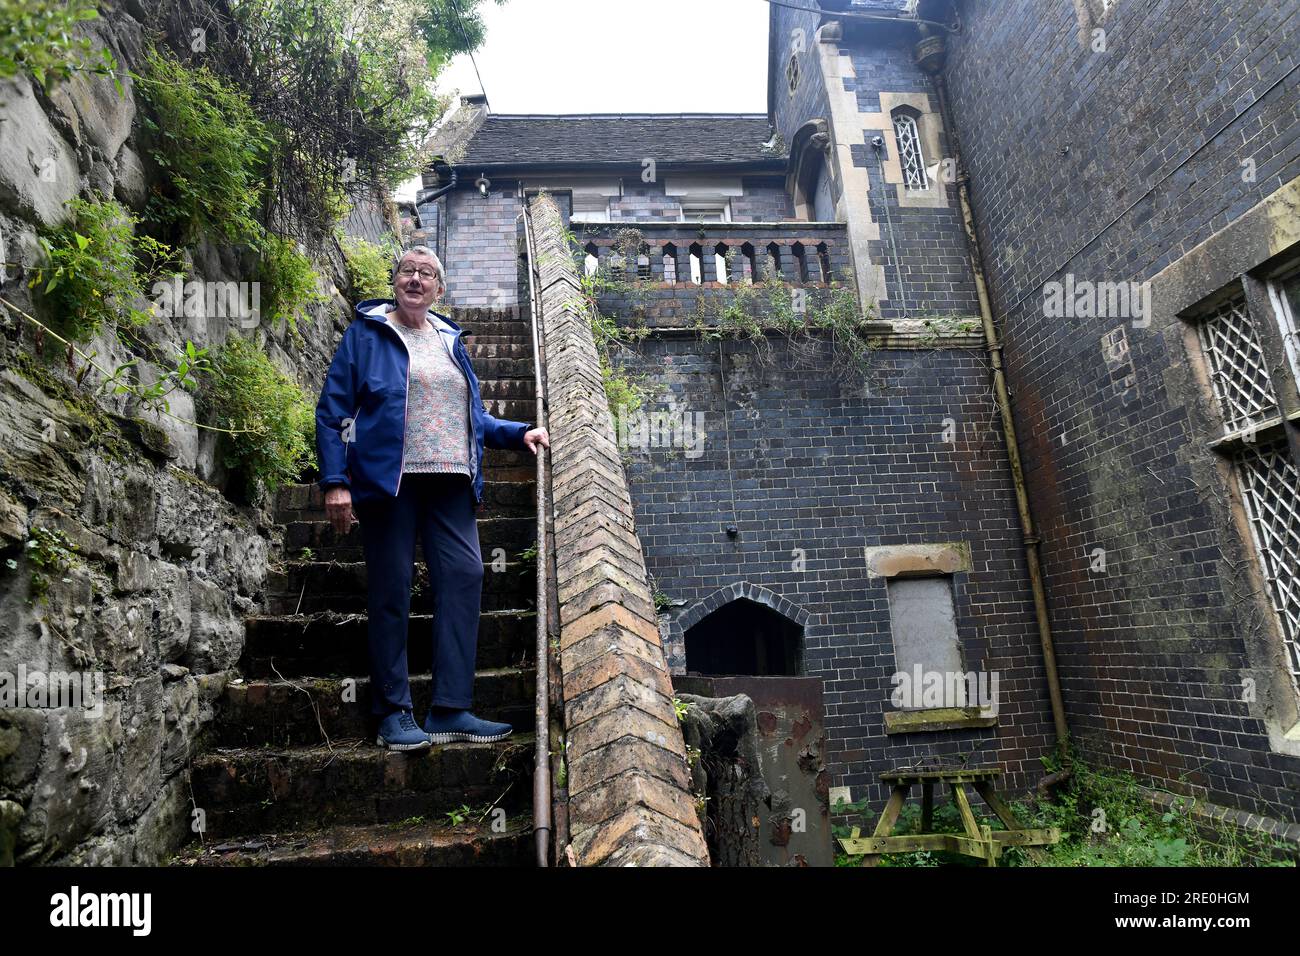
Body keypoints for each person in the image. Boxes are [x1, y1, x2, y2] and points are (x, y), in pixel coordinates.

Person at [315, 245, 550, 751]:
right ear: (394, 280)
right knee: (392, 588)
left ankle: (448, 708)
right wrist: (336, 480)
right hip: (390, 482)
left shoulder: (449, 340)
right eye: (407, 271)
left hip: (451, 481)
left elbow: (471, 418)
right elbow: (335, 411)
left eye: (426, 273)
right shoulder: (367, 334)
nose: (416, 279)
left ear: (439, 289)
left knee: (466, 576)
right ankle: (393, 711)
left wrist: (518, 432)